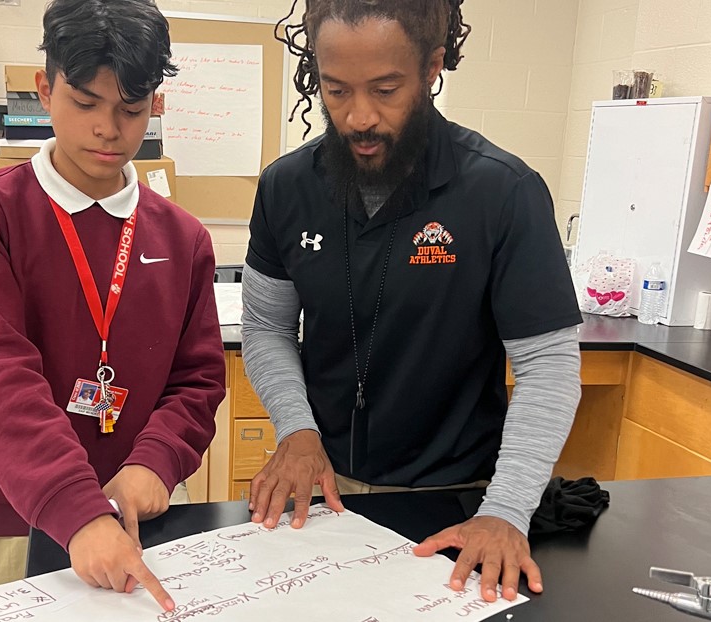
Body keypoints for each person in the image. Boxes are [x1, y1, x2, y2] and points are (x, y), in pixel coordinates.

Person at [242, 0, 583, 604]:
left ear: (432, 67)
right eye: (336, 89)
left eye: (386, 88)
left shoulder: (503, 191)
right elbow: (267, 325)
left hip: (458, 502)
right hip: (323, 490)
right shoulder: (284, 188)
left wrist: (506, 510)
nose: (359, 117)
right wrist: (296, 428)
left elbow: (548, 367)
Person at [0, 0, 225, 611]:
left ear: (156, 105)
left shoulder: (184, 238)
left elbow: (198, 381)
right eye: (85, 103)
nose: (108, 129)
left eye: (131, 110)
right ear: (45, 89)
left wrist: (156, 462)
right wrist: (76, 508)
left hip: (133, 521)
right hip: (10, 514)